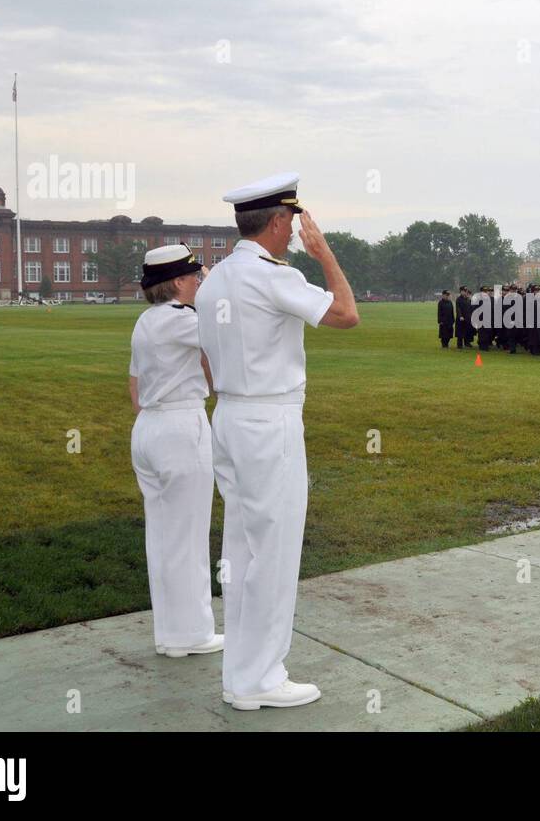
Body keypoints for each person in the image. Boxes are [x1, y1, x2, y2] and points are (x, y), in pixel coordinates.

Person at [196, 172, 359, 711]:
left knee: (242, 549)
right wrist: (326, 256)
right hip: (269, 422)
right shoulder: (271, 275)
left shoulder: (216, 278)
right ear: (277, 220)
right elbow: (345, 315)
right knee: (276, 549)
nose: (295, 230)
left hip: (229, 417)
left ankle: (241, 675)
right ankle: (261, 676)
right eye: (292, 219)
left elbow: (205, 358)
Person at [128, 244, 221, 660]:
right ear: (181, 281)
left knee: (164, 537)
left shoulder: (146, 321)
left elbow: (134, 388)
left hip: (148, 425)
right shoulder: (183, 320)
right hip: (181, 427)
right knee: (188, 535)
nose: (199, 283)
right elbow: (228, 337)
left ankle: (172, 634)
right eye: (195, 277)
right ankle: (193, 634)